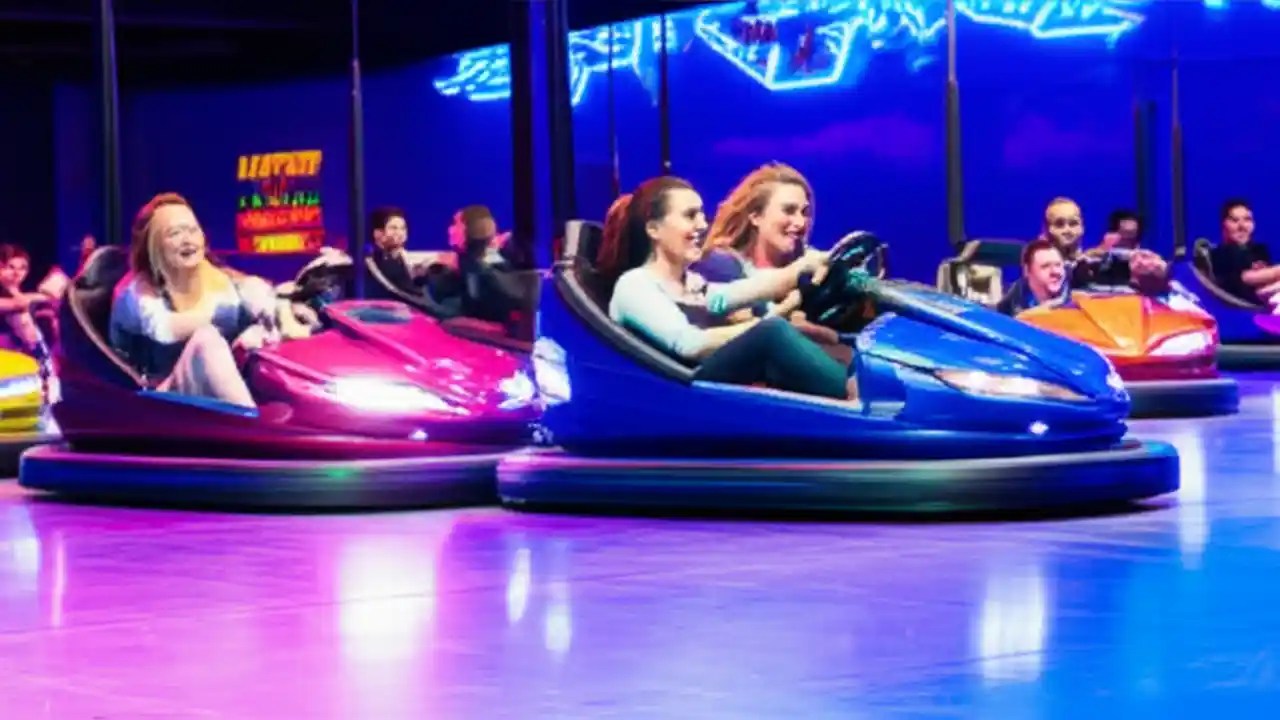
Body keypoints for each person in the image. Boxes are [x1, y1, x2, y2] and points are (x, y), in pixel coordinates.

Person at [608, 175, 856, 401]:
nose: (703, 225)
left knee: (788, 334)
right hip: (677, 394)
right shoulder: (635, 284)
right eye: (690, 215)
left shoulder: (694, 284)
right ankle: (857, 397)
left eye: (702, 215)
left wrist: (805, 268)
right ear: (654, 229)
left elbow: (751, 288)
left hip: (702, 387)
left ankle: (859, 382)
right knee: (772, 334)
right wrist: (773, 318)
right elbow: (690, 344)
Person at [109, 192, 282, 408]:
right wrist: (221, 313)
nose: (187, 240)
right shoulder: (135, 292)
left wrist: (263, 304)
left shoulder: (214, 276)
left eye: (192, 230)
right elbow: (163, 329)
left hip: (198, 399)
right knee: (206, 340)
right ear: (153, 246)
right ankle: (257, 432)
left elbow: (250, 293)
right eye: (174, 233)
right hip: (151, 403)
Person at [1210, 199, 1280, 311]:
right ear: (1224, 225)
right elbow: (1245, 279)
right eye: (1235, 220)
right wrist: (1273, 273)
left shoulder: (1260, 250)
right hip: (1240, 311)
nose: (1242, 226)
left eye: (1247, 220)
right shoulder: (1221, 254)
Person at [996, 239, 1066, 315]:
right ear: (1027, 271)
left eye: (1058, 265)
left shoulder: (1077, 303)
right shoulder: (1010, 305)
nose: (1055, 272)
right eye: (1045, 266)